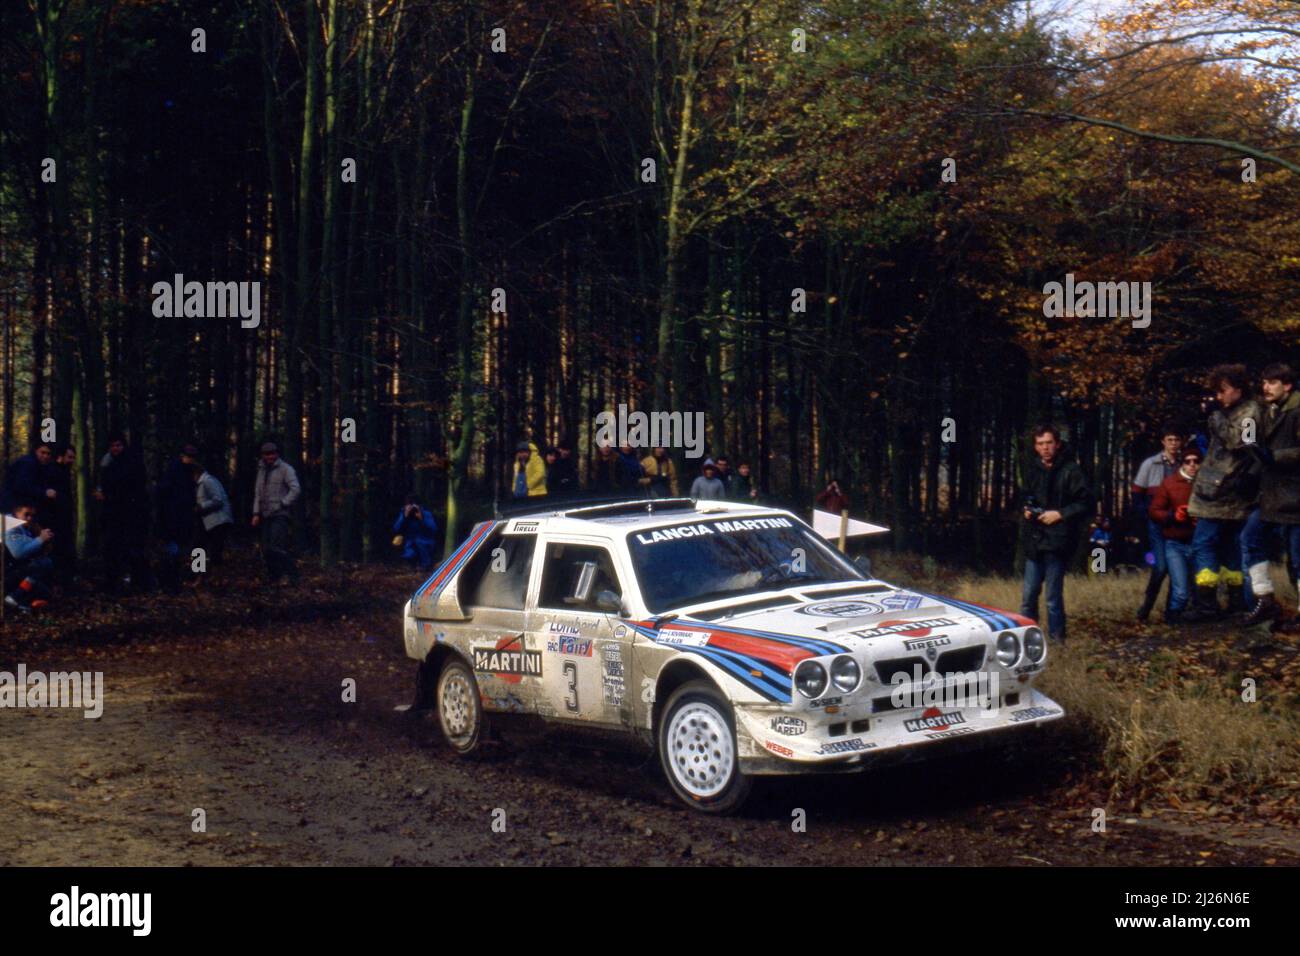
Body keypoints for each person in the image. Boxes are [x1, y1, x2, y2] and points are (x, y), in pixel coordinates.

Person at [1184, 364, 1263, 621]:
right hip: (1222, 489)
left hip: (1222, 492)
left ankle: (1208, 605)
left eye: (1223, 390)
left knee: (1204, 545)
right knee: (1229, 547)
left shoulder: (1250, 412)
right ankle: (1235, 602)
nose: (1218, 396)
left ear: (1238, 389)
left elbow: (1240, 442)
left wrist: (1215, 416)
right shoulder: (1235, 410)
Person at [1018, 424, 1093, 643]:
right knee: (1028, 596)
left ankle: (1057, 639)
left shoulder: (1071, 470)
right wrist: (1027, 509)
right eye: (1040, 444)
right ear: (1035, 446)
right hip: (1034, 539)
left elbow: (1086, 503)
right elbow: (1025, 496)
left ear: (1057, 444)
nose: (1045, 448)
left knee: (1052, 597)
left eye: (1049, 443)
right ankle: (1027, 639)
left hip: (1059, 540)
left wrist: (1060, 514)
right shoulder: (1032, 469)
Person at [1240, 363, 1300, 627]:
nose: (1265, 387)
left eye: (1272, 382)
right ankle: (1265, 599)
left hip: (1295, 495)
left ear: (1287, 385)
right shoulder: (1270, 411)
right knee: (1251, 537)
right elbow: (1258, 449)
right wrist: (1251, 473)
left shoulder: (1297, 411)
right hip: (1272, 494)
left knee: (1298, 557)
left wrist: (1272, 457)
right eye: (1264, 382)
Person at [1132, 426, 1183, 621]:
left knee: (1176, 568)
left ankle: (1172, 611)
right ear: (1163, 442)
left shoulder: (1185, 463)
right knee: (1160, 566)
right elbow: (1137, 493)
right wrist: (1146, 515)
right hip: (1156, 522)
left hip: (1178, 523)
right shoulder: (1150, 464)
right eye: (1169, 439)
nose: (1173, 444)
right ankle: (1146, 606)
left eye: (1176, 440)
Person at [1148, 450, 1202, 623]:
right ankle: (1172, 618)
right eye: (1188, 461)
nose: (1192, 465)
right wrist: (1173, 516)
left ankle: (1195, 620)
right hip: (1175, 542)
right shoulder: (1169, 483)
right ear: (1181, 464)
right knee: (1180, 591)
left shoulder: (1206, 483)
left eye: (1196, 461)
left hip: (1200, 542)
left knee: (1201, 587)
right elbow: (1154, 511)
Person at [95, 432, 152, 593]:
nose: (115, 449)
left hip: (131, 515)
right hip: (112, 515)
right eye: (112, 446)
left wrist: (109, 496)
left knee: (133, 550)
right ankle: (112, 583)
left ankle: (140, 583)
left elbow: (135, 490)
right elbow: (103, 484)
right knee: (111, 550)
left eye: (118, 445)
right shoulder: (107, 463)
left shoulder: (132, 463)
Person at [251, 441, 301, 585]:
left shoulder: (286, 469)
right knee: (266, 549)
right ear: (263, 456)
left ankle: (293, 575)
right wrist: (255, 513)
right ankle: (274, 577)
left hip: (280, 514)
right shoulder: (261, 470)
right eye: (267, 454)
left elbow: (295, 489)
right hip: (265, 515)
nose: (271, 456)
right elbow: (257, 493)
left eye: (273, 453)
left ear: (277, 454)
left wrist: (283, 503)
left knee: (276, 547)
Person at [157, 444, 200, 594]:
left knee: (192, 548)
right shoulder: (176, 472)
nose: (191, 459)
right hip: (175, 518)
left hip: (188, 517)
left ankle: (187, 580)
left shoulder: (192, 475)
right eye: (188, 456)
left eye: (193, 457)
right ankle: (172, 582)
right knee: (175, 551)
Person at [3, 500, 54, 611]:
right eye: (26, 514)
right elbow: (18, 553)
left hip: (13, 571)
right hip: (5, 574)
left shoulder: (25, 527)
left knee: (46, 594)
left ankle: (21, 601)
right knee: (43, 563)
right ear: (16, 513)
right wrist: (40, 539)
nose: (29, 518)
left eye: (32, 515)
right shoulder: (8, 525)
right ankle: (14, 597)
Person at [192, 461, 234, 578]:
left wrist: (201, 507)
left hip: (219, 520)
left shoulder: (208, 481)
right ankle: (199, 576)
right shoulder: (200, 484)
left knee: (215, 550)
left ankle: (217, 578)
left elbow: (218, 500)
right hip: (207, 521)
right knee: (198, 547)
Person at [47, 445, 77, 586]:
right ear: (61, 456)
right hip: (56, 519)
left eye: (73, 457)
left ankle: (65, 581)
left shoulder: (64, 471)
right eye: (69, 457)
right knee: (59, 550)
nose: (72, 460)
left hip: (64, 518)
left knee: (65, 550)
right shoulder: (53, 471)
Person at [1, 441, 56, 518]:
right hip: (12, 508)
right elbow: (22, 486)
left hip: (17, 508)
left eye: (48, 454)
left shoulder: (39, 466)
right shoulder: (28, 463)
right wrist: (44, 493)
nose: (45, 456)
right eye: (42, 452)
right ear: (36, 451)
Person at [392, 494, 439, 569]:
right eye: (409, 506)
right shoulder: (403, 512)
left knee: (419, 542)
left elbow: (434, 529)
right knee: (403, 545)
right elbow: (396, 528)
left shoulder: (426, 513)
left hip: (425, 541)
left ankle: (425, 565)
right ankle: (410, 564)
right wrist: (404, 517)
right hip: (409, 541)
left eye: (413, 506)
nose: (411, 509)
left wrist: (422, 519)